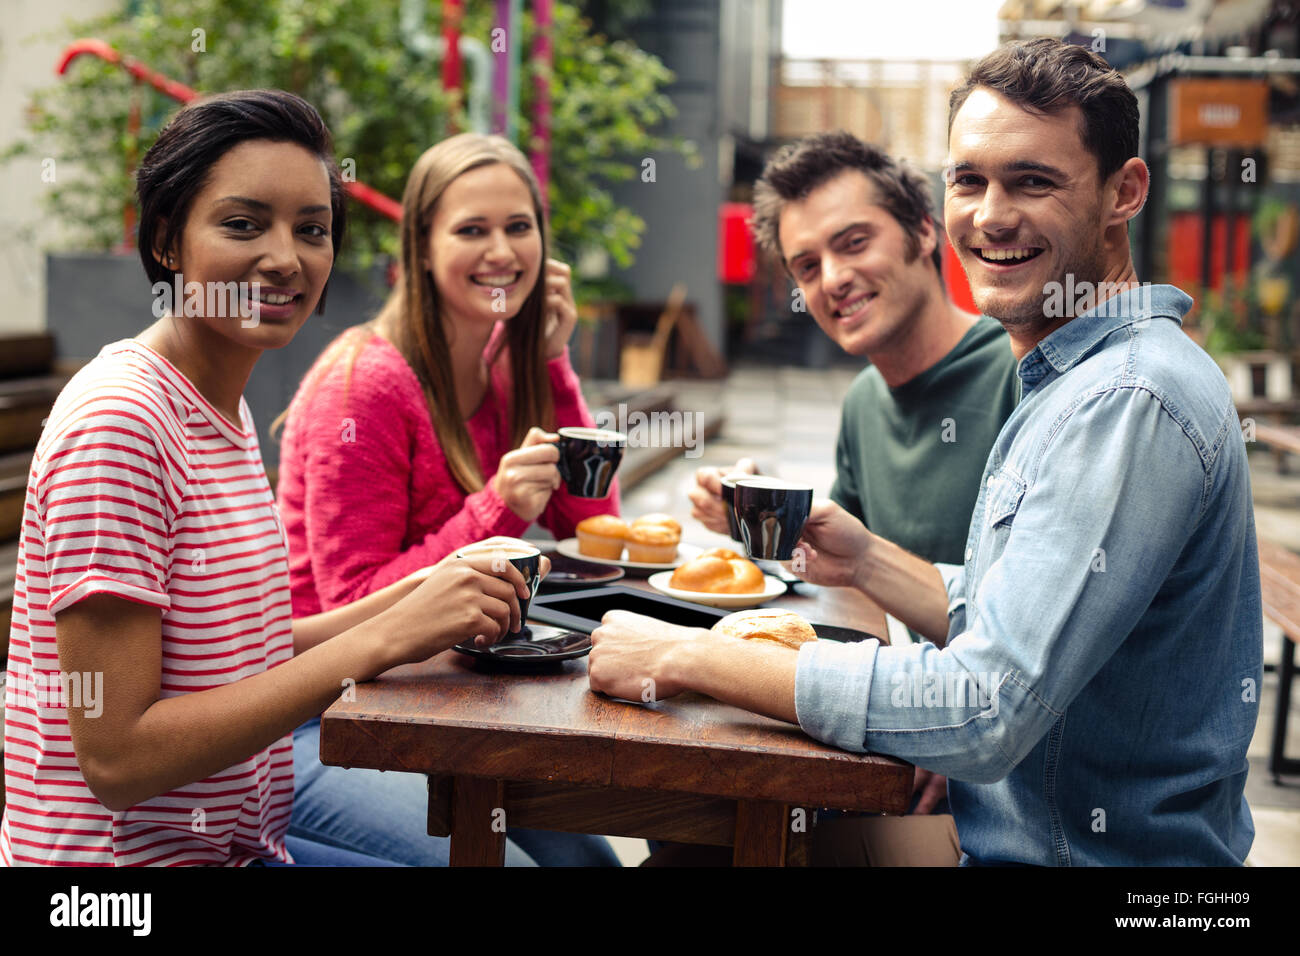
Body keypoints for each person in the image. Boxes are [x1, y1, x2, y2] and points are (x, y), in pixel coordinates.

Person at [590, 37, 1262, 866]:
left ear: (1125, 192)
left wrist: (690, 655)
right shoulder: (1071, 378)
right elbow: (1011, 620)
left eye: (1034, 181)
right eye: (968, 181)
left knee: (712, 839)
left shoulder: (1124, 399)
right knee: (703, 836)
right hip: (1010, 838)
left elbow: (982, 709)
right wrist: (865, 557)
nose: (991, 214)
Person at [0, 90, 540, 866]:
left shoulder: (221, 407)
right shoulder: (121, 422)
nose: (286, 257)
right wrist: (386, 635)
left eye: (311, 230)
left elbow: (232, 651)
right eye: (243, 224)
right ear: (167, 239)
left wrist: (421, 596)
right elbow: (118, 758)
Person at [275, 133, 620, 867]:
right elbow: (353, 602)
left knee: (589, 864)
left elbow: (596, 533)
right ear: (421, 250)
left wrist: (552, 363)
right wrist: (493, 510)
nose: (501, 251)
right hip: (317, 715)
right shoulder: (365, 385)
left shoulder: (502, 364)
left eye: (517, 226)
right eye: (471, 230)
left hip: (442, 701)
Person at [686, 133, 1019, 863]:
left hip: (1008, 782)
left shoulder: (1018, 379)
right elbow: (845, 581)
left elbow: (1039, 646)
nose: (833, 278)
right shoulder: (867, 401)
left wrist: (937, 732)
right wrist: (751, 520)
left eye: (854, 242)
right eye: (807, 266)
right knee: (691, 826)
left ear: (925, 230)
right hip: (914, 740)